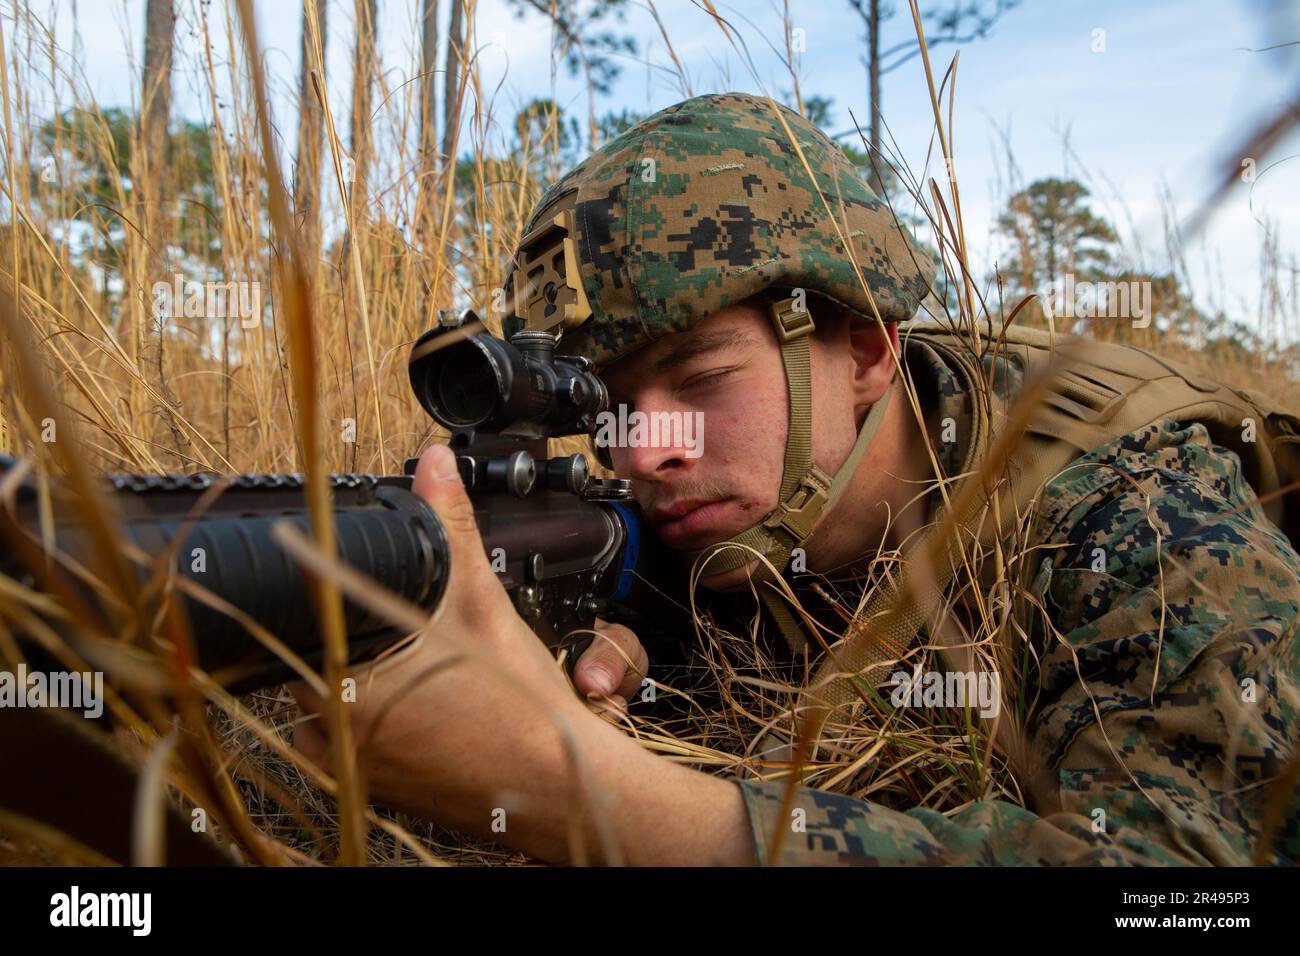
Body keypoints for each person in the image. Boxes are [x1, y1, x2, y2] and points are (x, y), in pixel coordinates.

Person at [292, 92, 1300, 865]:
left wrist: (575, 787)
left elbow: (1184, 883)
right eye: (603, 406)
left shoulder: (1131, 507)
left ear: (863, 349)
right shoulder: (694, 523)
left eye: (699, 379)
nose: (644, 452)